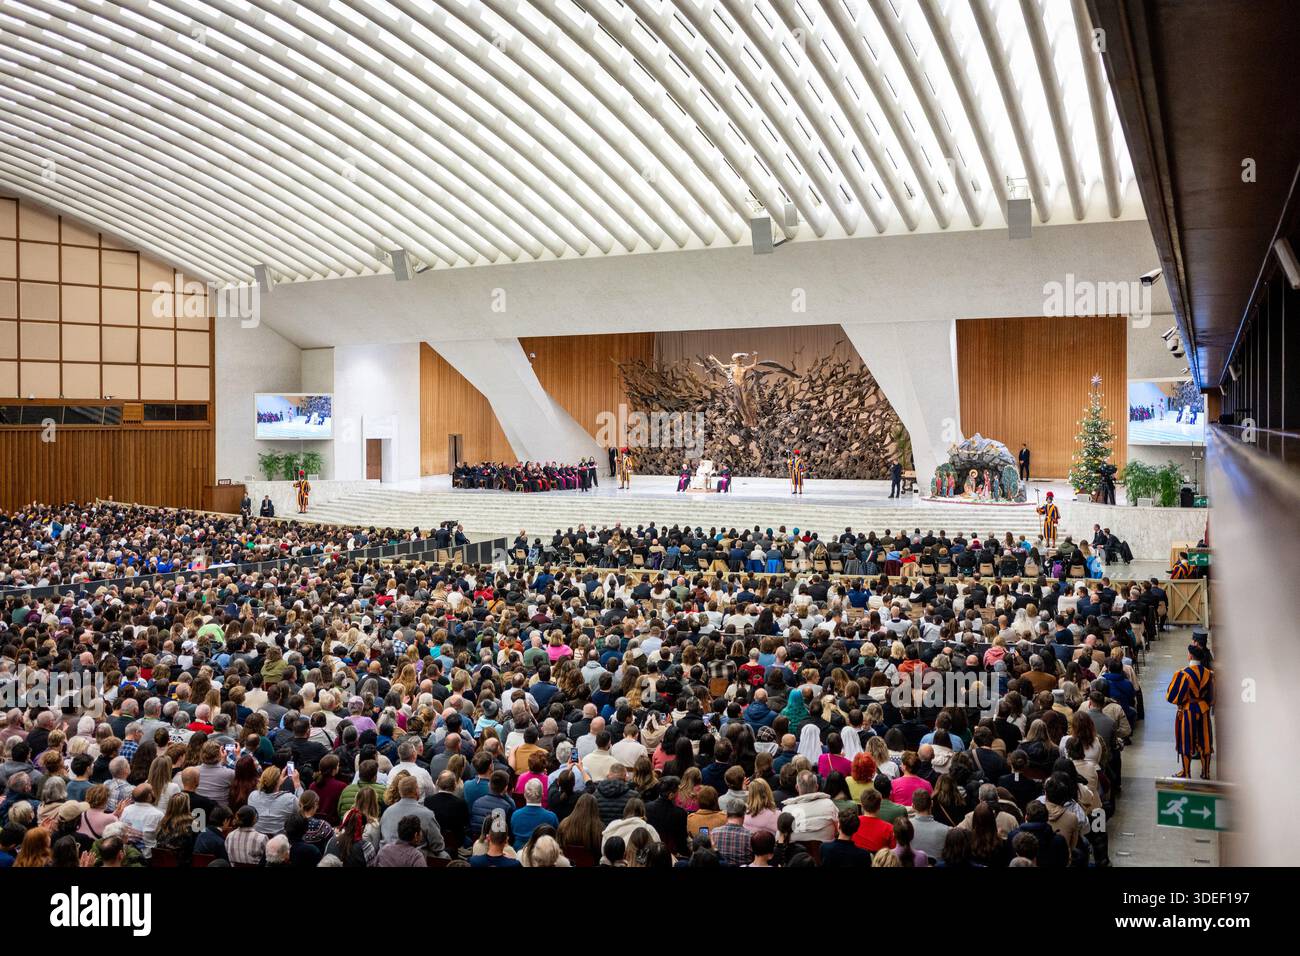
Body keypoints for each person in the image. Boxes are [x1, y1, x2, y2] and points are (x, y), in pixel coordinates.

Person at [1166, 644, 1215, 779]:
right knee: (1205, 741)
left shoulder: (1183, 674)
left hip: (1188, 711)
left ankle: (1186, 772)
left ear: (1190, 656)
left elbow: (1172, 696)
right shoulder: (1208, 674)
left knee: (1186, 741)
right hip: (1203, 710)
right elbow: (1212, 697)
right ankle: (1206, 772)